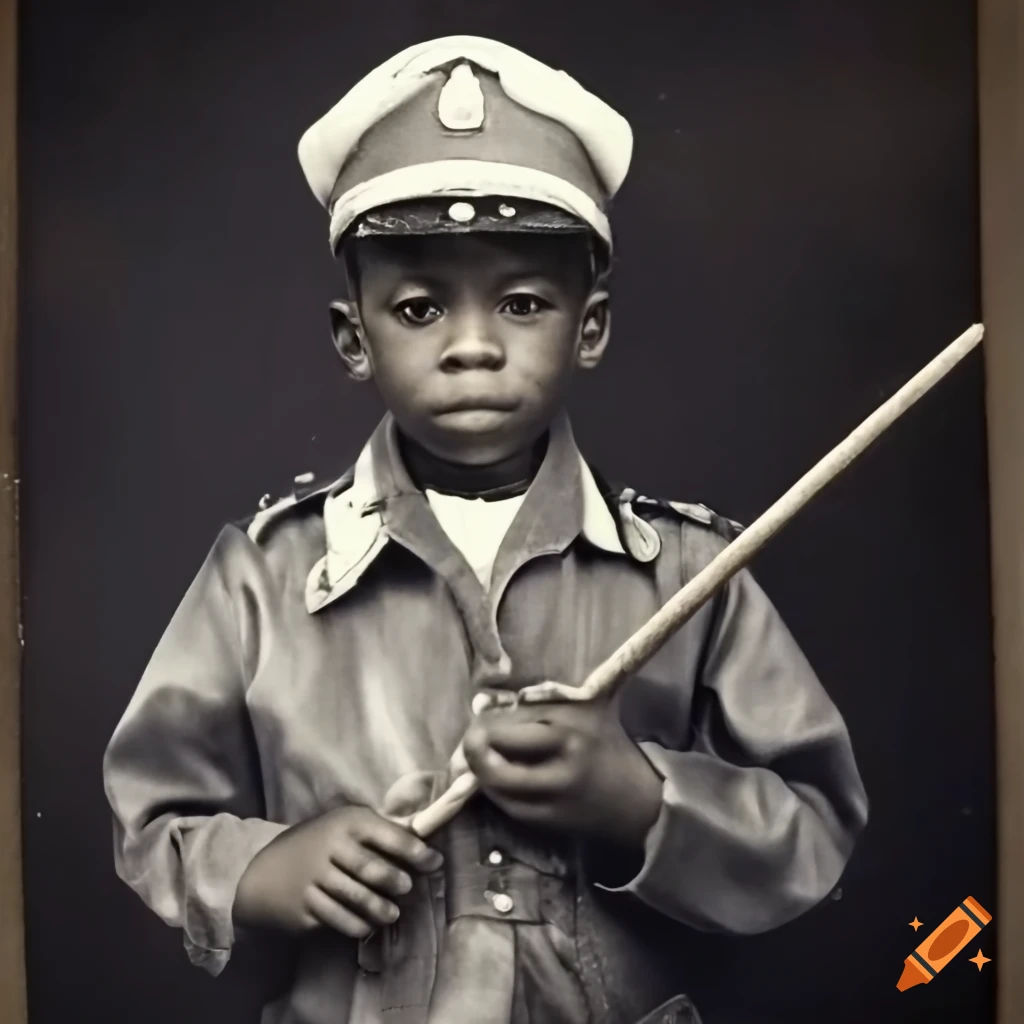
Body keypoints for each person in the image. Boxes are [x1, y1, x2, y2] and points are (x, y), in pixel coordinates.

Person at [103, 35, 869, 1024]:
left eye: (521, 302)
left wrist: (640, 798)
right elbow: (153, 812)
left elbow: (814, 818)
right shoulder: (261, 573)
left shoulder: (694, 569)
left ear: (587, 327)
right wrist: (261, 866)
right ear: (354, 336)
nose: (471, 346)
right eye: (418, 307)